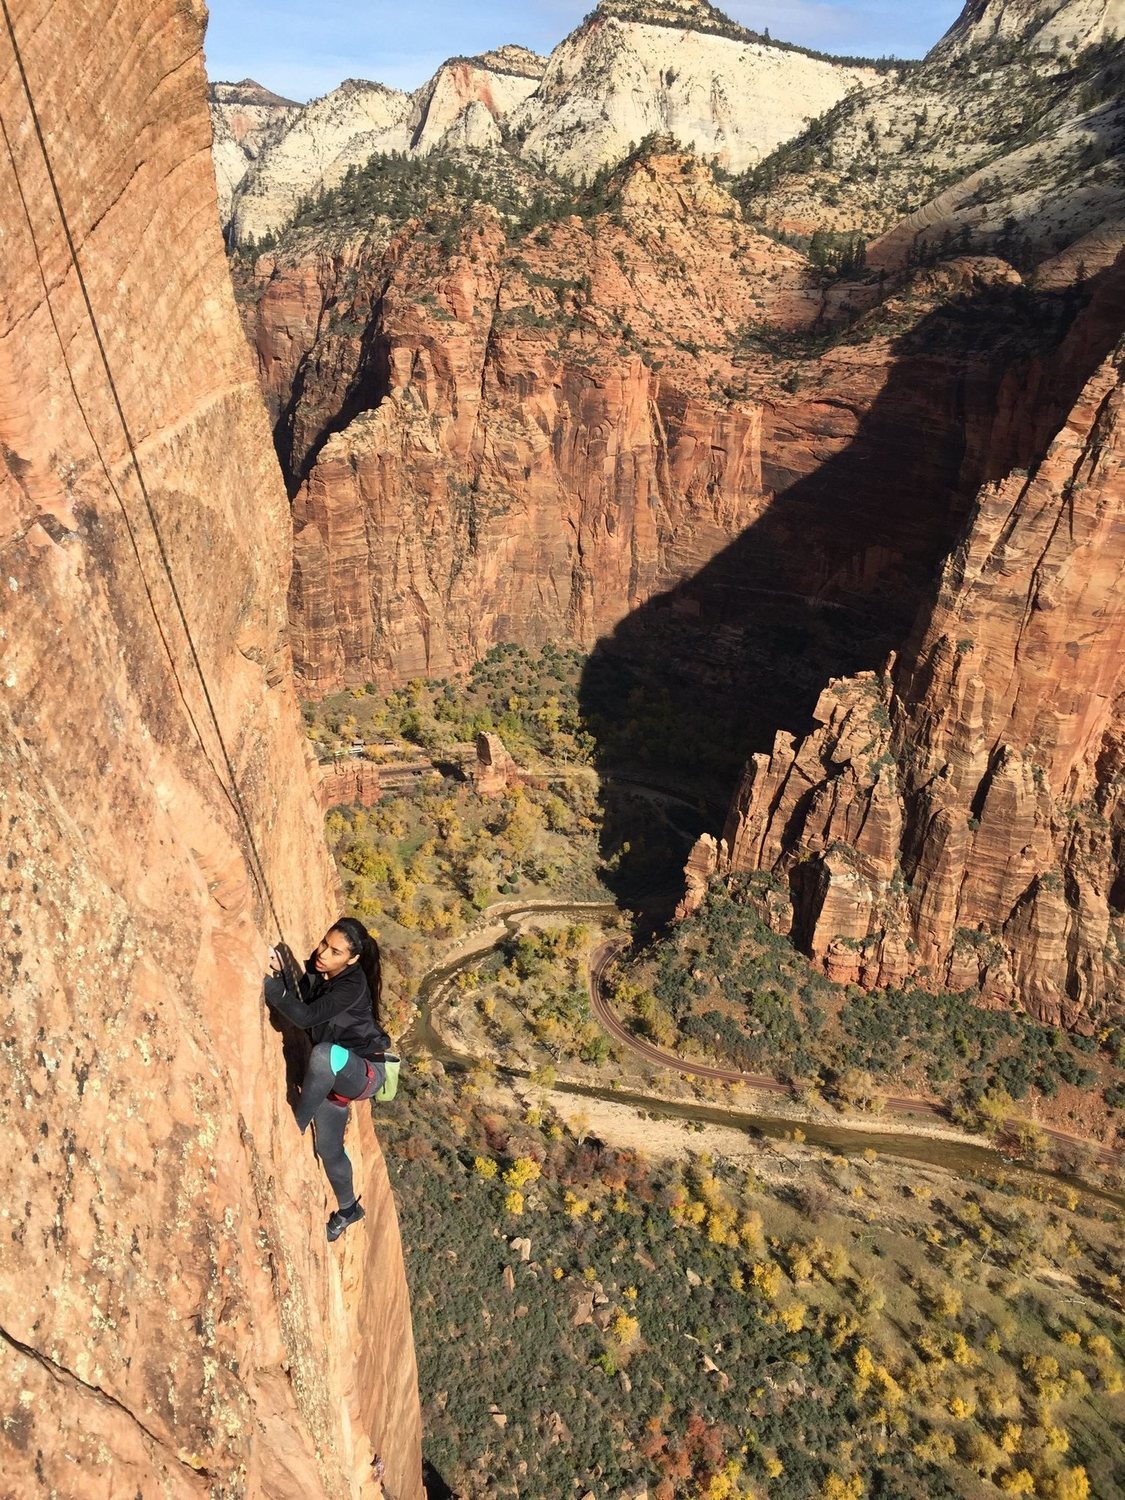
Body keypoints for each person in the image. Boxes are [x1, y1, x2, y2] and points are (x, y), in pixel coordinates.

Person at [264, 917, 390, 1241]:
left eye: (335, 952)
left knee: (321, 1054)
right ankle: (349, 1209)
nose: (323, 953)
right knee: (329, 1150)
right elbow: (305, 996)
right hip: (334, 1079)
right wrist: (287, 970)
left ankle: (297, 1126)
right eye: (324, 943)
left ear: (352, 959)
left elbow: (305, 1015)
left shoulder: (351, 985)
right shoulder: (323, 967)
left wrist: (270, 988)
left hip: (364, 1073)